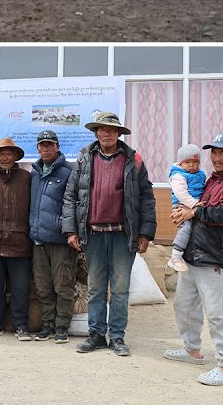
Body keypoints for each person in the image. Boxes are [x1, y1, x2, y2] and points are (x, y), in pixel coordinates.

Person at [61, 111, 156, 356]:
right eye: (102, 129)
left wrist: (145, 232)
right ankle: (96, 335)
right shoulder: (83, 159)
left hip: (123, 236)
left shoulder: (133, 160)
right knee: (95, 288)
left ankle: (117, 337)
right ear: (96, 133)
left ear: (118, 133)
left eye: (112, 130)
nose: (107, 133)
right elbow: (71, 196)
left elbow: (147, 198)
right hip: (92, 235)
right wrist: (71, 230)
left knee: (121, 289)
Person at [165, 133, 223, 387]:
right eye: (213, 152)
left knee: (218, 313)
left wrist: (193, 211)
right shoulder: (211, 179)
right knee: (184, 305)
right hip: (193, 254)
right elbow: (197, 209)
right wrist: (183, 213)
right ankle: (193, 350)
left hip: (215, 256)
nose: (216, 157)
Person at [0, 137, 33, 341]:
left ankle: (21, 325)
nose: (5, 156)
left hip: (20, 244)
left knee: (20, 288)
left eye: (9, 153)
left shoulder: (27, 178)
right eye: (1, 153)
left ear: (15, 156)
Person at [28, 130, 77, 343]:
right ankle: (47, 324)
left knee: (63, 286)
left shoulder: (69, 171)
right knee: (43, 286)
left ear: (57, 146)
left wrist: (66, 229)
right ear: (37, 148)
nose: (46, 149)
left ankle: (62, 327)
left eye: (50, 145)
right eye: (42, 145)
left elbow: (75, 204)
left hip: (60, 240)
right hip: (38, 240)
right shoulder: (35, 173)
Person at [167, 144, 207, 273]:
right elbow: (181, 193)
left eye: (195, 162)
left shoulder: (201, 174)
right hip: (181, 205)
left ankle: (186, 254)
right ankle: (175, 256)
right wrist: (194, 204)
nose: (191, 165)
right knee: (186, 228)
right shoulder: (178, 175)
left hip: (194, 206)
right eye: (187, 162)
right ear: (180, 163)